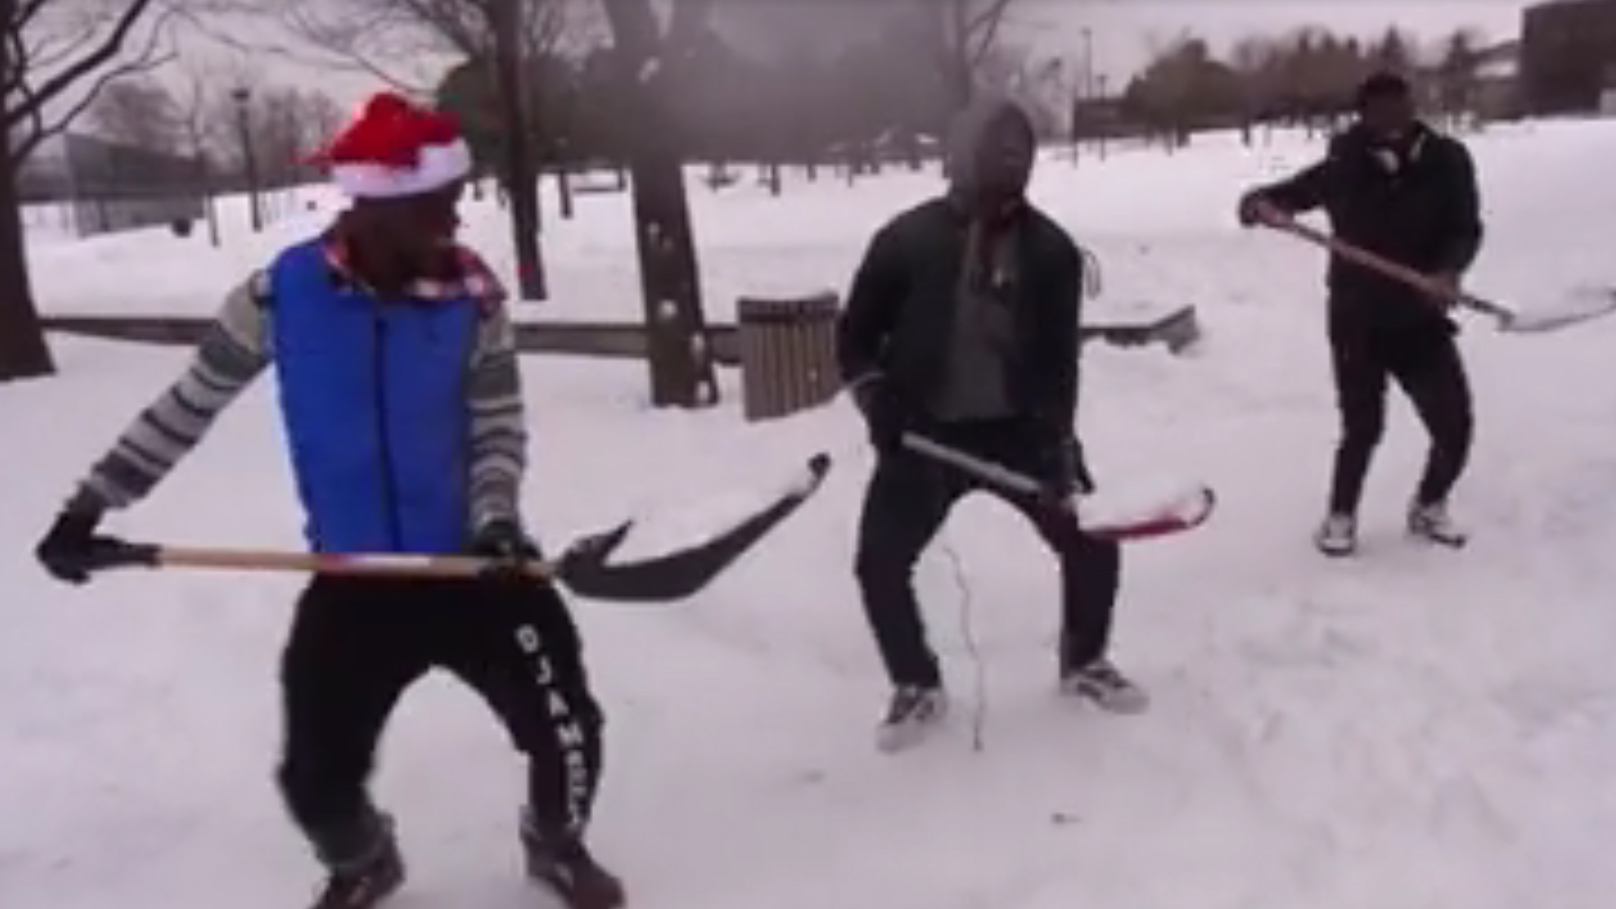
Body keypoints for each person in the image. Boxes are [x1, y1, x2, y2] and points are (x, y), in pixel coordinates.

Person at [32, 93, 624, 909]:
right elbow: (188, 404)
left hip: (476, 567)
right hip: (354, 576)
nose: (455, 221)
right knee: (313, 777)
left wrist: (494, 522)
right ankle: (364, 859)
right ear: (378, 209)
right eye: (438, 207)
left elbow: (497, 427)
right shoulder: (279, 298)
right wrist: (89, 504)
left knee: (570, 733)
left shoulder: (474, 300)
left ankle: (555, 841)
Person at [835, 95, 1147, 754]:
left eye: (1020, 153)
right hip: (925, 428)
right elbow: (855, 336)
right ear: (960, 156)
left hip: (1020, 431)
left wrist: (1059, 445)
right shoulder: (907, 240)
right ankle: (915, 682)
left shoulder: (1052, 251)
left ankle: (1085, 659)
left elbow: (1061, 362)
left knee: (1092, 541)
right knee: (880, 561)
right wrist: (876, 399)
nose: (1010, 165)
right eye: (994, 152)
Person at [1237, 71, 1483, 557]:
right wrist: (1257, 204)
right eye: (1379, 111)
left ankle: (1429, 504)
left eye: (1399, 108)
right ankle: (1341, 515)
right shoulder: (1345, 162)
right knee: (1362, 427)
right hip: (1358, 318)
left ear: (1412, 108)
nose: (1391, 121)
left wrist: (1448, 271)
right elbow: (1292, 193)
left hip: (1420, 318)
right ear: (1364, 115)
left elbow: (1464, 226)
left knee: (1454, 424)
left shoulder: (1447, 161)